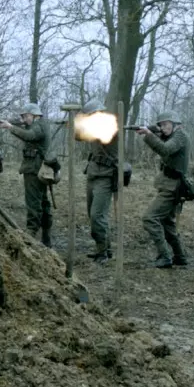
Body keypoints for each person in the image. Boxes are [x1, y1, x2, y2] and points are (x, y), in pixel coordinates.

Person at [135, 113, 189, 268]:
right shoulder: (173, 135)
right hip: (169, 185)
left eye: (167, 125)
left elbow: (165, 150)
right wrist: (150, 133)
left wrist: (150, 134)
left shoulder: (180, 136)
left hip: (173, 188)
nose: (164, 128)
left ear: (175, 124)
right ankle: (180, 256)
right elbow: (162, 146)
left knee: (149, 218)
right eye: (161, 125)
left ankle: (165, 256)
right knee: (166, 222)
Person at [0, 103, 53, 246]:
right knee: (42, 202)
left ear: (35, 115)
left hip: (35, 169)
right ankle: (46, 237)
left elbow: (30, 136)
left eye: (26, 116)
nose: (24, 118)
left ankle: (31, 233)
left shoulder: (38, 126)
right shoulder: (38, 125)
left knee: (34, 202)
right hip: (37, 169)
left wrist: (11, 127)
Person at [80, 99, 118, 264]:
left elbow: (103, 135)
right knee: (92, 214)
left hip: (106, 176)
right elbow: (77, 136)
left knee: (98, 215)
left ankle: (103, 251)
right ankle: (103, 248)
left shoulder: (110, 125)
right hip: (93, 174)